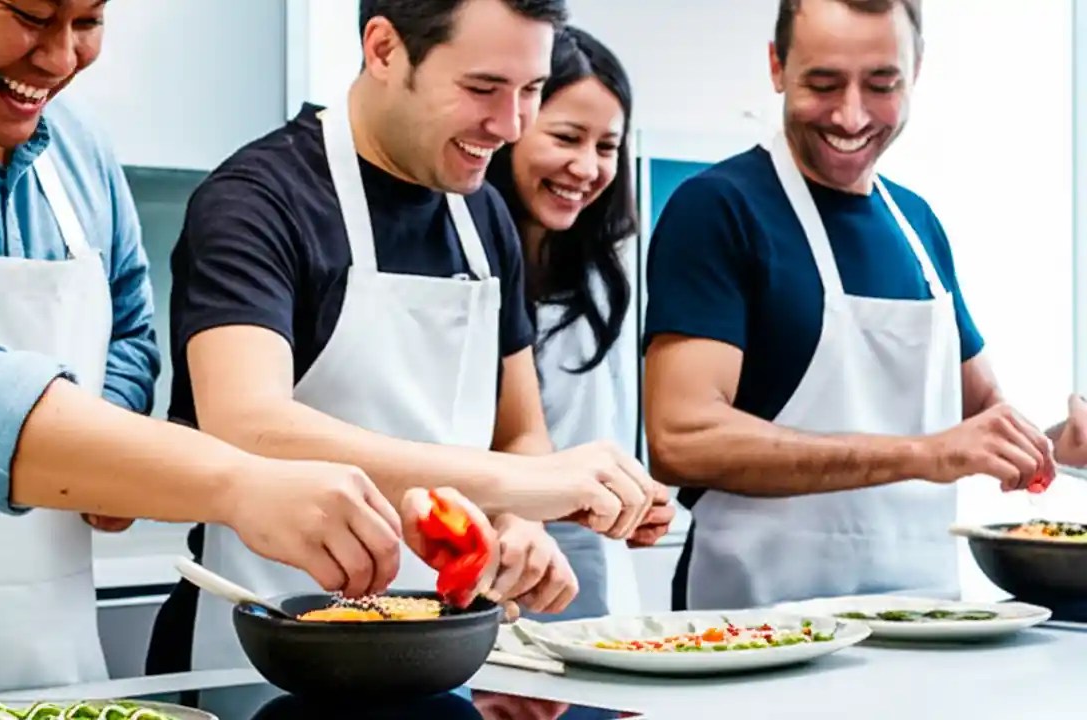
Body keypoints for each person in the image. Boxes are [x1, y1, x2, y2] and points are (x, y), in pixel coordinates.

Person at [0, 1, 488, 711]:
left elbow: (129, 334)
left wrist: (109, 455)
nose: (62, 58)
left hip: (53, 685)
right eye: (33, 15)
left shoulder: (77, 155)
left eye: (89, 21)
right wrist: (240, 484)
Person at [151, 0, 673, 673]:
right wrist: (525, 484)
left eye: (532, 91)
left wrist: (520, 524)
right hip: (266, 646)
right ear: (384, 49)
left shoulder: (482, 214)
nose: (510, 125)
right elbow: (246, 426)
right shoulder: (257, 201)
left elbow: (517, 427)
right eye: (483, 88)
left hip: (447, 651)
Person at [641, 0, 1064, 612]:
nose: (851, 114)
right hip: (750, 633)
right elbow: (682, 438)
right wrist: (922, 454)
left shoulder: (918, 226)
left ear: (915, 72)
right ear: (776, 67)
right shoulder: (718, 210)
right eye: (823, 82)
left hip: (920, 623)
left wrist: (1053, 444)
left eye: (881, 83)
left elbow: (981, 413)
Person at [484, 26, 651, 620]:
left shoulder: (607, 272)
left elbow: (594, 433)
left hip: (595, 575)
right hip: (491, 567)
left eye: (607, 146)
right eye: (566, 138)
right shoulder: (466, 267)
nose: (586, 166)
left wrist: (633, 492)